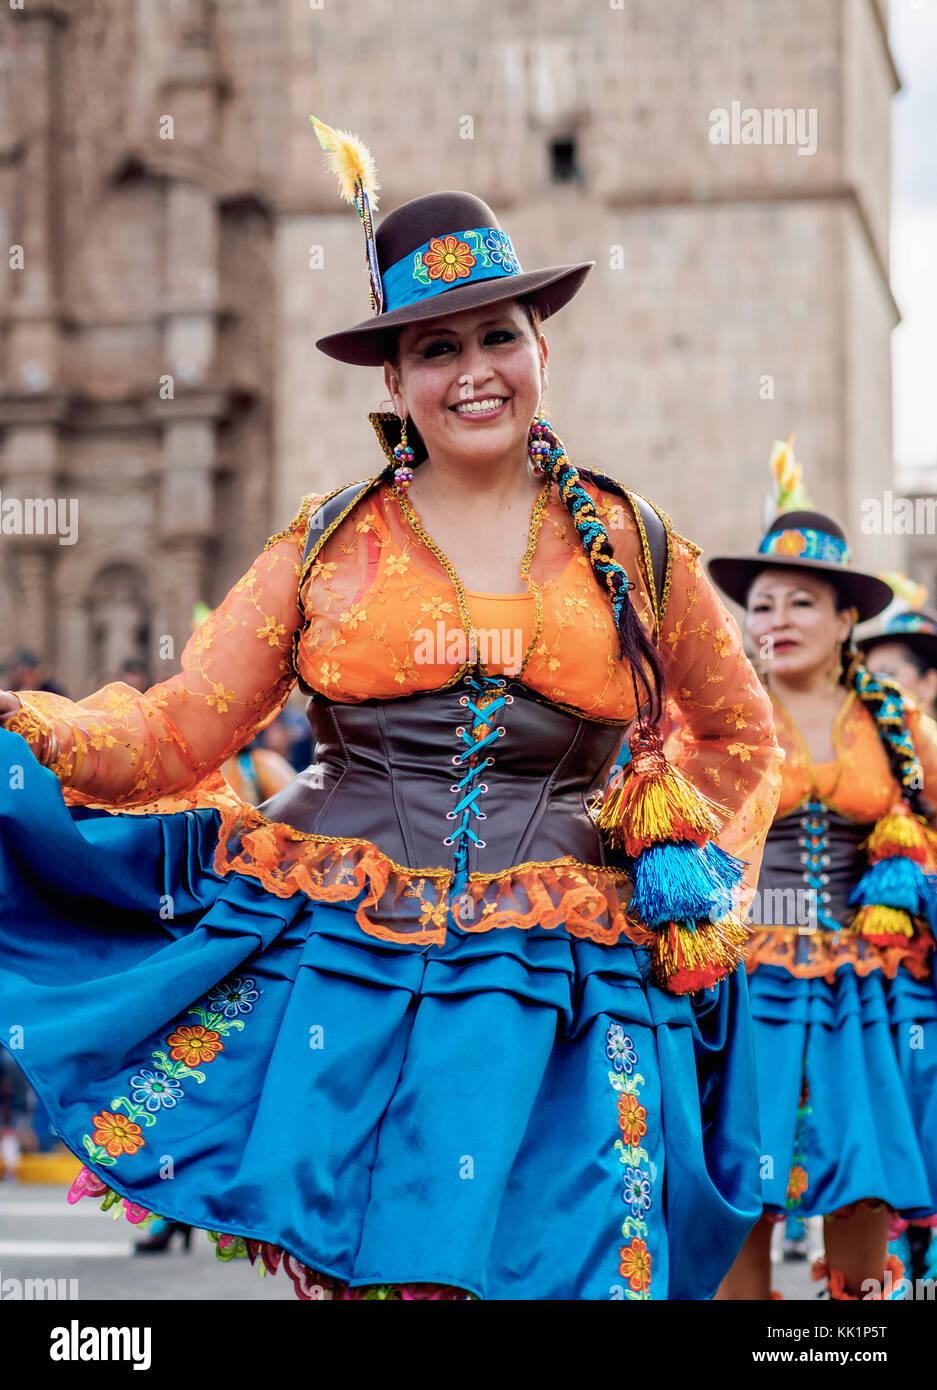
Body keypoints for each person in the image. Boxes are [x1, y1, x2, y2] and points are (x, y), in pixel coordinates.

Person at [0, 118, 782, 1301]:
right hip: (348, 978)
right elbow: (175, 733)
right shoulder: (323, 546)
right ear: (393, 378)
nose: (473, 370)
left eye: (497, 336)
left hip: (561, 991)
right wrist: (30, 725)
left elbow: (740, 736)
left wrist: (682, 869)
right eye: (435, 347)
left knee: (565, 1273)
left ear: (540, 348)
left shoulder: (637, 543)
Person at [708, 442, 937, 1301]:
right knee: (742, 1187)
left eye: (803, 600)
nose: (779, 616)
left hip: (867, 980)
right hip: (746, 973)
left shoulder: (893, 721)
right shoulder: (718, 717)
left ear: (845, 620)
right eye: (763, 602)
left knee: (864, 1175)